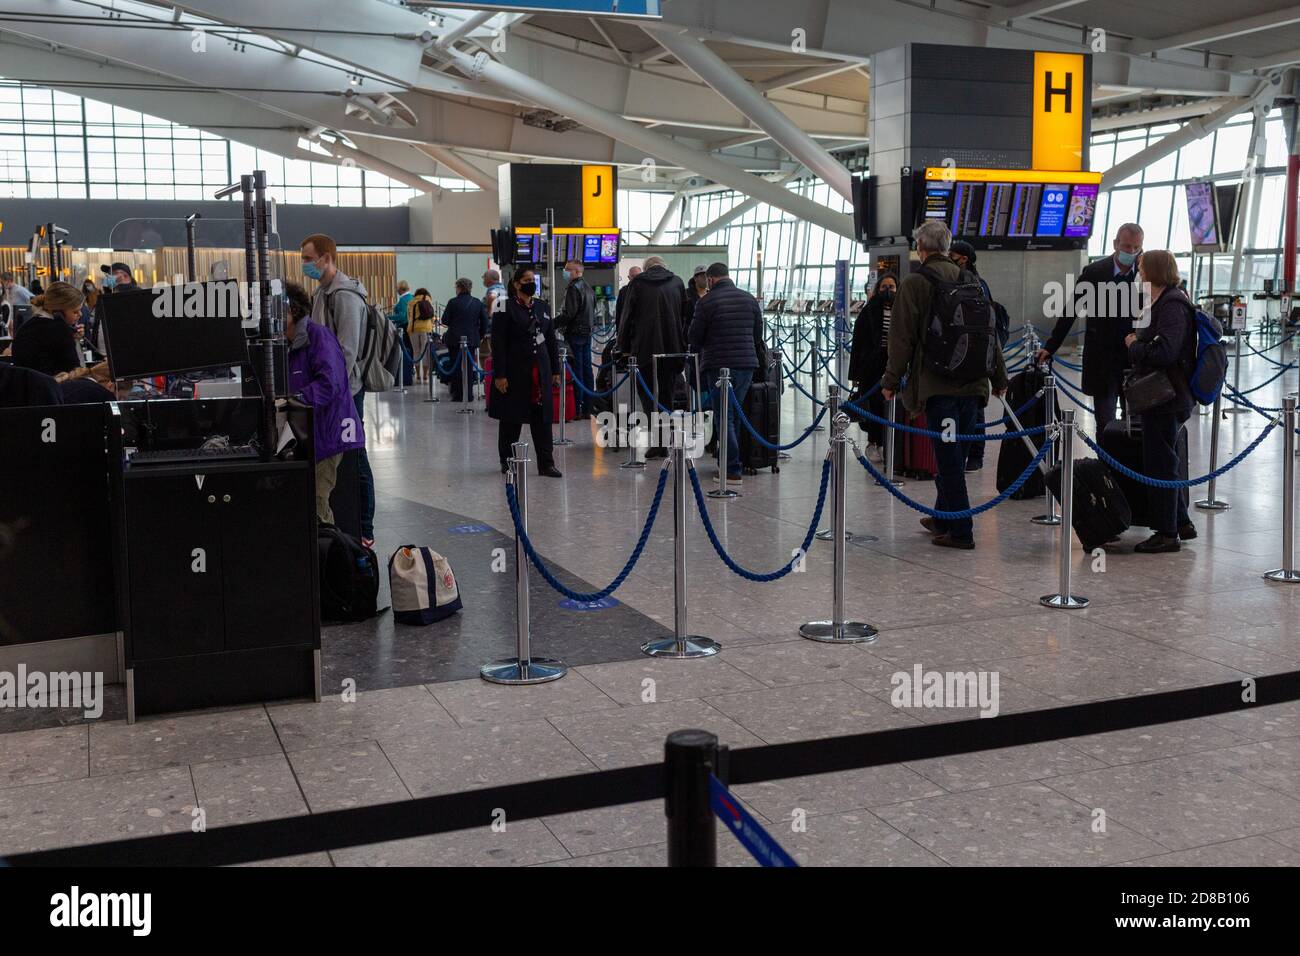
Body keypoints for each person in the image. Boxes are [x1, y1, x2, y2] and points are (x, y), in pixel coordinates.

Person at [881, 220, 1008, 550]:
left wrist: (891, 381)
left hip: (941, 389)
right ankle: (942, 518)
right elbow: (989, 334)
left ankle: (962, 532)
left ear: (921, 248)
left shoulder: (916, 283)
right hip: (975, 387)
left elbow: (901, 338)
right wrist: (999, 377)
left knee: (949, 462)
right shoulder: (973, 281)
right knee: (954, 456)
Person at [301, 232, 376, 548]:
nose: (305, 264)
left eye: (308, 258)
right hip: (330, 388)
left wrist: (333, 392)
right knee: (340, 456)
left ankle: (365, 527)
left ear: (326, 258)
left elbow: (347, 350)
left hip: (347, 390)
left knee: (355, 454)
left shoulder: (344, 296)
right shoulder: (322, 293)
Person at [1037, 222, 1144, 432]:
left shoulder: (1146, 273)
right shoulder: (1095, 272)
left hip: (1134, 360)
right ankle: (1106, 463)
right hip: (1103, 360)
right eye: (1126, 246)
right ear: (1115, 244)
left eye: (1135, 247)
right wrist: (1051, 347)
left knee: (1136, 423)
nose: (1131, 252)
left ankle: (1128, 464)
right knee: (1105, 421)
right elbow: (1071, 310)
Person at [1124, 251, 1196, 553]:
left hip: (1167, 396)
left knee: (1162, 464)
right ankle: (1180, 521)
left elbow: (1165, 353)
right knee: (1165, 460)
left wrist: (1134, 346)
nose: (1138, 272)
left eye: (1141, 268)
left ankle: (1167, 533)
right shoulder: (1163, 301)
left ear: (1152, 271)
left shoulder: (1172, 305)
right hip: (1160, 396)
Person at [283, 282, 366, 526]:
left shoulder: (318, 336)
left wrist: (295, 400)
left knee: (317, 504)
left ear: (293, 310)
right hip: (309, 434)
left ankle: (328, 557)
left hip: (328, 434)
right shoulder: (287, 344)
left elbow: (330, 383)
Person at [689, 262, 763, 484]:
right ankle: (729, 460)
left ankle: (731, 470)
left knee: (724, 417)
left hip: (719, 367)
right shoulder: (749, 298)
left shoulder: (706, 302)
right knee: (734, 414)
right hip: (747, 364)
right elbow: (757, 335)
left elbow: (695, 337)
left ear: (711, 279)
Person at [490, 265, 562, 478]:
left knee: (543, 419)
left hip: (540, 371)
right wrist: (500, 374)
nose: (531, 283)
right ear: (516, 284)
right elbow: (498, 342)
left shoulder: (542, 306)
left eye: (533, 279)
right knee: (511, 419)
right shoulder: (504, 306)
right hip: (514, 371)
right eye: (526, 280)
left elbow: (550, 340)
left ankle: (546, 463)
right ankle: (507, 461)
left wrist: (555, 370)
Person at [615, 256, 686, 458]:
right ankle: (668, 439)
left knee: (648, 396)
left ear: (646, 268)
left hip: (644, 350)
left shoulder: (637, 283)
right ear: (664, 266)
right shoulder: (677, 282)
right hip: (672, 350)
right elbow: (685, 315)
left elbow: (627, 317)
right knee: (667, 395)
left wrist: (624, 347)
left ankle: (658, 442)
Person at [949, 240, 996, 473]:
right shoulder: (982, 284)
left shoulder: (974, 284)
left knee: (974, 409)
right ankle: (973, 455)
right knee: (974, 406)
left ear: (964, 259)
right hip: (977, 354)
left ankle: (974, 454)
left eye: (953, 256)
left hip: (970, 353)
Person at [848, 273, 898, 463]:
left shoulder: (902, 309)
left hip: (894, 366)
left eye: (891, 287)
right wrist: (855, 374)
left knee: (892, 407)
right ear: (878, 289)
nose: (887, 291)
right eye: (884, 287)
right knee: (875, 406)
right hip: (872, 368)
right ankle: (874, 441)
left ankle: (889, 443)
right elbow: (858, 344)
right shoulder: (868, 311)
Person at [11, 281, 84, 378]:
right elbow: (76, 371)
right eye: (75, 312)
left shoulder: (27, 326)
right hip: (53, 389)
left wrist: (73, 339)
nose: (80, 315)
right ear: (58, 312)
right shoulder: (60, 329)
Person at [555, 259, 596, 418]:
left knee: (577, 371)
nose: (565, 272)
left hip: (575, 334)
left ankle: (577, 408)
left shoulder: (573, 288)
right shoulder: (588, 288)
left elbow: (569, 314)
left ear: (577, 271)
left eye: (568, 269)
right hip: (587, 333)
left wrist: (551, 324)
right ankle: (588, 408)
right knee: (587, 371)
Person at [442, 278, 490, 402]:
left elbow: (445, 320)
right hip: (471, 339)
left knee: (456, 366)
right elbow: (485, 322)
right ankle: (468, 394)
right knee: (469, 367)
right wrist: (479, 336)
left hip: (454, 339)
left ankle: (457, 394)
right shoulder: (477, 303)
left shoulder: (452, 302)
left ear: (459, 287)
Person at [407, 287, 436, 384]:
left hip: (413, 329)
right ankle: (425, 375)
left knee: (416, 352)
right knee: (425, 352)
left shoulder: (411, 302)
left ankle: (418, 376)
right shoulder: (428, 300)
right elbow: (432, 315)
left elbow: (409, 317)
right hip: (426, 329)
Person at [614, 264, 643, 335]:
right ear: (629, 277)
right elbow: (619, 312)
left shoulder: (647, 291)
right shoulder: (623, 291)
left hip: (642, 330)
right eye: (633, 276)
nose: (635, 278)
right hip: (627, 329)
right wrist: (619, 332)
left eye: (638, 276)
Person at [683, 264, 709, 330]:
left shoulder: (711, 294)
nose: (706, 279)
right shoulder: (686, 294)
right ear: (695, 278)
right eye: (703, 276)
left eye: (707, 276)